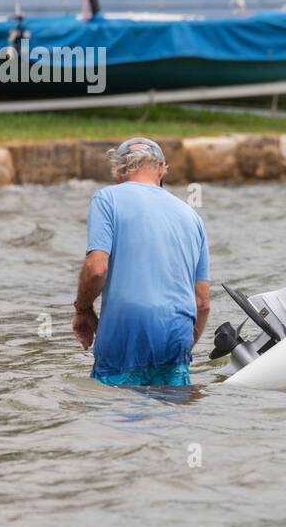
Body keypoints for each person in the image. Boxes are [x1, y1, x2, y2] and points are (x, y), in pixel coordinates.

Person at [72, 137, 210, 386]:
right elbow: (202, 304)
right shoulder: (192, 216)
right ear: (161, 170)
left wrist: (82, 310)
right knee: (172, 418)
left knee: (116, 417)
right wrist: (182, 349)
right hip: (175, 338)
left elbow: (96, 268)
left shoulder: (107, 199)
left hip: (125, 335)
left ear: (119, 174)